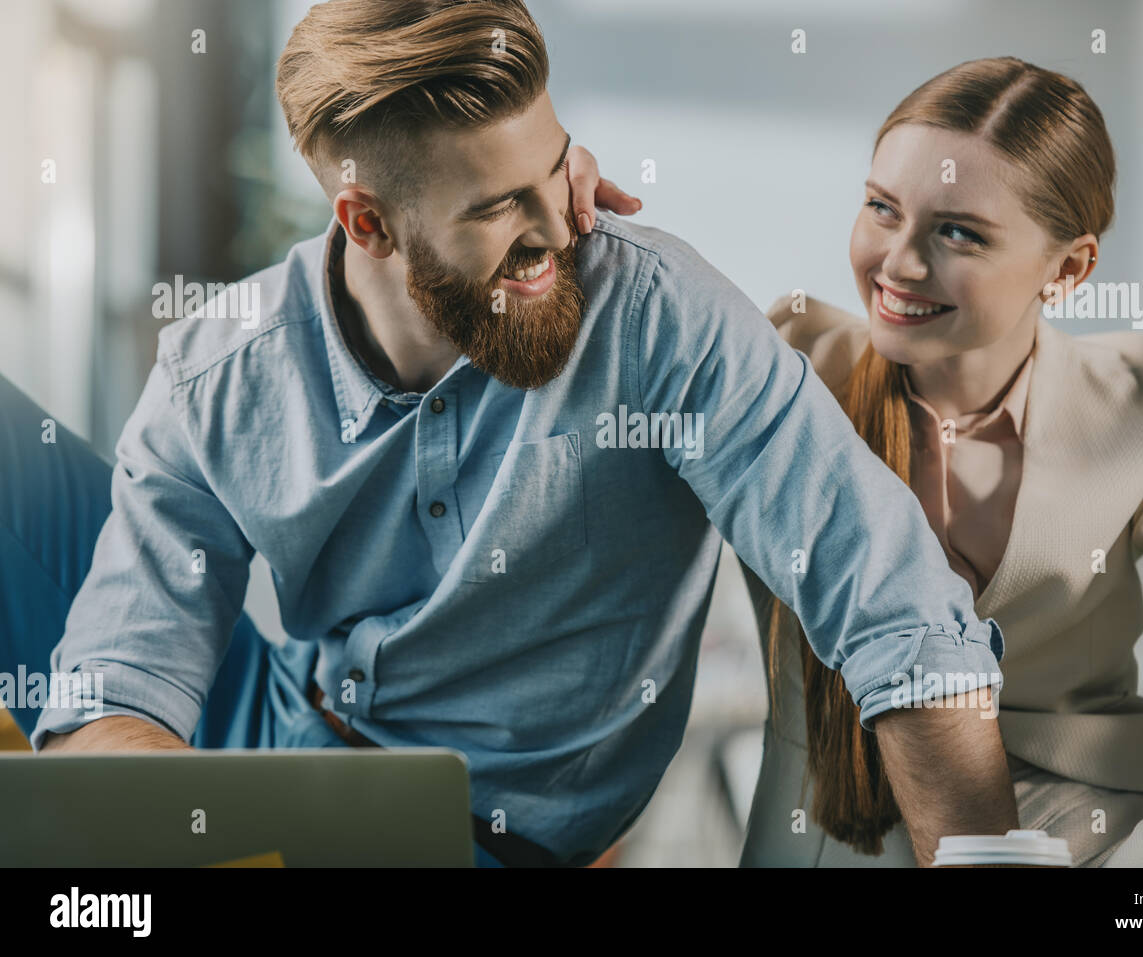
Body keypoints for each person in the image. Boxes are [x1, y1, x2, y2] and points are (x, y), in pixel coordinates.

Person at [0, 1, 1018, 868]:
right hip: (276, 740)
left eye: (557, 168)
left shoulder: (657, 317)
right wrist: (218, 829)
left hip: (480, 836)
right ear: (367, 222)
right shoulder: (217, 371)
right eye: (498, 206)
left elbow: (895, 608)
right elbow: (108, 702)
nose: (564, 226)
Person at [570, 55, 1143, 866]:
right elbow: (599, 396)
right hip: (844, 828)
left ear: (1068, 269)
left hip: (1096, 825)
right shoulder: (791, 359)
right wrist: (552, 213)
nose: (900, 262)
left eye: (959, 232)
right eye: (882, 208)